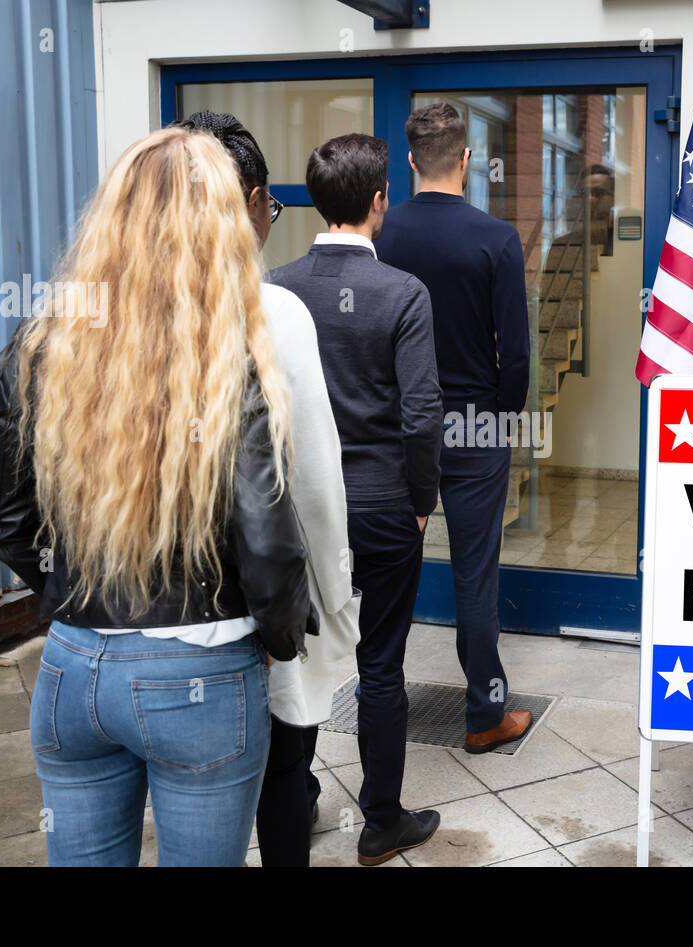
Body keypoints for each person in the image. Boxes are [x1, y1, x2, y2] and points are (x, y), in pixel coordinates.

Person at [0, 126, 313, 866]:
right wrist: (280, 641)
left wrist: (76, 590)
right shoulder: (231, 360)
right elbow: (270, 546)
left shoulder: (41, 348)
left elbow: (4, 523)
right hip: (203, 672)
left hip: (70, 672)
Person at [174, 111, 361, 868]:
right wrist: (335, 600)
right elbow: (312, 483)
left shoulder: (107, 311)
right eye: (269, 208)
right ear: (248, 200)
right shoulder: (272, 311)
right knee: (284, 776)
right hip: (253, 617)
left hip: (134, 631)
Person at [267, 133, 443, 865]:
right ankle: (380, 821)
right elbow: (423, 413)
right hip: (381, 507)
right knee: (382, 664)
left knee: (299, 656)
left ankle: (297, 802)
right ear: (378, 203)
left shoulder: (274, 288)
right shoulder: (402, 293)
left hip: (299, 511)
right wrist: (421, 498)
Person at [374, 102, 533, 754]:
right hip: (474, 428)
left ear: (411, 161)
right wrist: (500, 419)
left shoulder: (382, 235)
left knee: (384, 573)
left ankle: (377, 698)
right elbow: (516, 354)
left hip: (398, 427)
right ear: (466, 160)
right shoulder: (496, 239)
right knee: (475, 575)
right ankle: (483, 714)